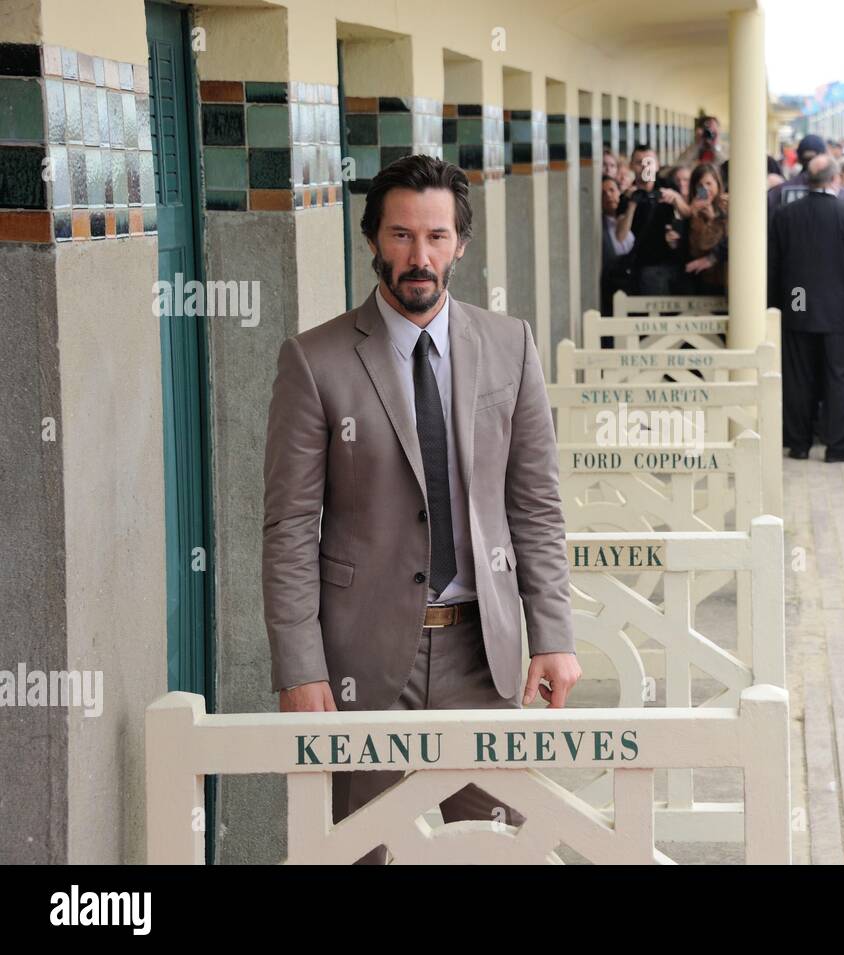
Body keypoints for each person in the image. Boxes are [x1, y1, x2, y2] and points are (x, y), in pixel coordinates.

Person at [262, 156, 580, 863]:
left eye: (436, 237)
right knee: (361, 852)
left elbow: (535, 506)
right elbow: (289, 528)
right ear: (372, 238)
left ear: (461, 243)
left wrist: (553, 632)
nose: (419, 256)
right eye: (401, 236)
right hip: (361, 662)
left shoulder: (511, 346)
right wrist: (299, 666)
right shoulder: (315, 362)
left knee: (498, 849)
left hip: (481, 654)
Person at [769, 155, 844, 462]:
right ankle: (838, 446)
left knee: (798, 379)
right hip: (840, 312)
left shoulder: (785, 215)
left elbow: (773, 266)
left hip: (797, 310)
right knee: (839, 378)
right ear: (835, 180)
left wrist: (772, 307)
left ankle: (798, 444)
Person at [625, 144, 685, 294]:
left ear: (657, 165)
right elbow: (620, 236)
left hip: (676, 262)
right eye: (640, 162)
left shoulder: (668, 187)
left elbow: (688, 214)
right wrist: (631, 204)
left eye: (649, 162)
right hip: (645, 266)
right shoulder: (628, 195)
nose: (645, 167)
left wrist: (676, 199)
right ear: (631, 166)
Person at [684, 162, 729, 295]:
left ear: (717, 184)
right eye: (700, 185)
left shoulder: (727, 204)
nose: (705, 189)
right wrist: (694, 217)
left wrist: (714, 219)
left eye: (709, 184)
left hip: (726, 273)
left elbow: (730, 239)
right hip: (705, 277)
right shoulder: (693, 211)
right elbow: (699, 247)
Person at [600, 174, 635, 314]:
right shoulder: (600, 224)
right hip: (612, 284)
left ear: (620, 192)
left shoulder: (630, 216)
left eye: (612, 190)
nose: (608, 196)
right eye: (603, 193)